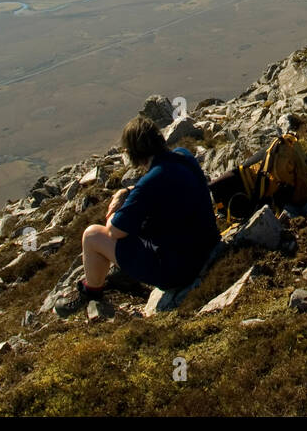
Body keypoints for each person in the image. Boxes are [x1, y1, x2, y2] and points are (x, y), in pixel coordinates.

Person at [55, 116, 221, 315]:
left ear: (133, 152)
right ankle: (122, 273)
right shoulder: (184, 156)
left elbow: (114, 231)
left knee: (92, 236)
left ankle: (92, 292)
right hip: (208, 249)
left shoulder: (149, 183)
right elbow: (162, 185)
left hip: (178, 272)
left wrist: (114, 207)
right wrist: (131, 191)